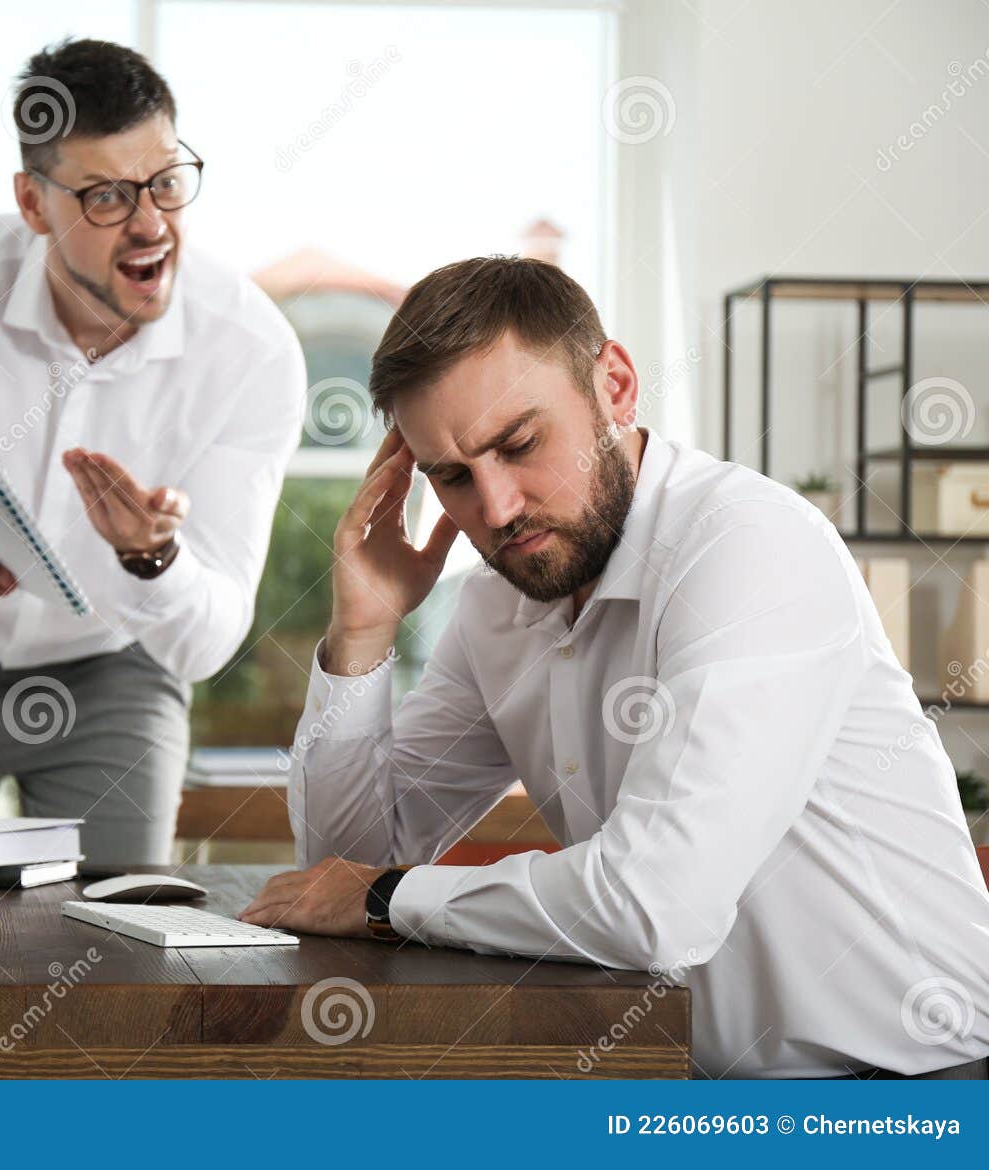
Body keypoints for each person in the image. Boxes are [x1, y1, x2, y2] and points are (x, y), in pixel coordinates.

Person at [239, 256, 989, 1080]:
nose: (495, 509)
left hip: (914, 1092)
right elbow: (340, 869)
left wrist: (387, 899)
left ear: (617, 386)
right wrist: (362, 634)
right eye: (452, 476)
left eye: (520, 444)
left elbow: (655, 904)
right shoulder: (501, 599)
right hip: (690, 1085)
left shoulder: (749, 545)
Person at [0, 38, 305, 865]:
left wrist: (157, 563)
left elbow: (209, 639)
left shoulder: (252, 351)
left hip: (114, 672)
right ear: (32, 202)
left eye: (164, 183)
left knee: (116, 957)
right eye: (106, 197)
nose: (151, 223)